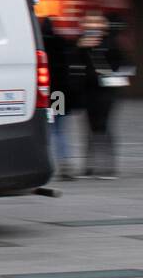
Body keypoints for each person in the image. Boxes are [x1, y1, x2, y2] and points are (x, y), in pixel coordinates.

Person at [72, 10, 125, 179]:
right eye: (89, 22)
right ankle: (89, 167)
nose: (92, 26)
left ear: (103, 26)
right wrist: (81, 49)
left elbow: (119, 64)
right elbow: (74, 65)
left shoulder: (111, 43)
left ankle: (108, 167)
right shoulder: (81, 44)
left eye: (96, 23)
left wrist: (100, 53)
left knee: (103, 127)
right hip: (87, 92)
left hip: (105, 92)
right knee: (89, 128)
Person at [40, 17, 74, 180]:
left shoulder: (39, 44)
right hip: (58, 94)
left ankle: (47, 162)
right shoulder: (61, 44)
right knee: (59, 128)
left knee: (46, 129)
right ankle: (64, 162)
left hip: (43, 93)